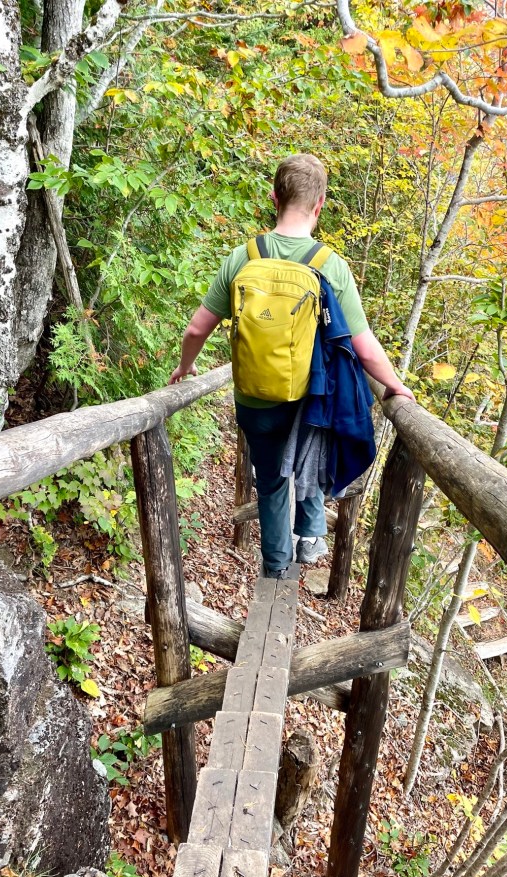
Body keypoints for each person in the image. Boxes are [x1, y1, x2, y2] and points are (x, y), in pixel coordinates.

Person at [169, 153, 414, 578]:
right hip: (306, 396)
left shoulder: (242, 257)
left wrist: (185, 366)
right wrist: (395, 384)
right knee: (311, 453)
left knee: (270, 478)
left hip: (252, 397)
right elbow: (364, 345)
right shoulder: (330, 265)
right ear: (320, 205)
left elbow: (195, 330)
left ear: (274, 196)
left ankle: (276, 565)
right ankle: (311, 535)